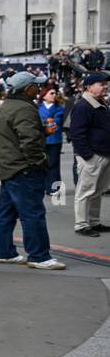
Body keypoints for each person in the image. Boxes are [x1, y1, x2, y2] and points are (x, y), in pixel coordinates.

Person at [0, 72, 64, 269]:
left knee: (7, 212)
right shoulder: (24, 108)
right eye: (36, 85)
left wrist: (40, 131)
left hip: (9, 167)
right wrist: (40, 162)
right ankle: (39, 256)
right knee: (33, 213)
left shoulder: (6, 106)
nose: (39, 88)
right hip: (23, 169)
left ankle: (5, 252)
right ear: (27, 89)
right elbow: (29, 142)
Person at [69, 72, 110, 237]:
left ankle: (94, 222)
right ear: (89, 87)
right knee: (85, 191)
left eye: (105, 84)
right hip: (93, 155)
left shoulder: (101, 103)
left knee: (98, 190)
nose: (105, 86)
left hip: (104, 153)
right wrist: (87, 156)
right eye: (101, 84)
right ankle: (81, 225)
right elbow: (77, 133)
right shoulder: (83, 105)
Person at [38, 85, 66, 196]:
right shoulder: (37, 107)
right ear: (44, 95)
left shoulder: (59, 108)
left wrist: (46, 123)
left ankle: (55, 188)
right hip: (42, 139)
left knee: (54, 164)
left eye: (55, 93)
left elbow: (56, 123)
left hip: (55, 139)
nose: (54, 95)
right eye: (51, 93)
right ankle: (45, 186)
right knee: (43, 164)